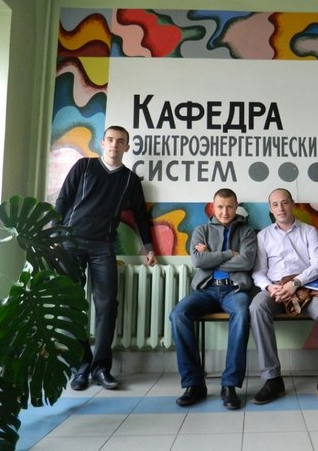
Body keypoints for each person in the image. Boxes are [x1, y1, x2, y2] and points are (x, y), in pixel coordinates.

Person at [55, 125, 157, 391]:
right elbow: (63, 200)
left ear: (127, 147)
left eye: (120, 141)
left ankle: (101, 368)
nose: (114, 144)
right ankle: (81, 367)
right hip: (70, 242)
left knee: (107, 305)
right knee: (70, 305)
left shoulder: (129, 180)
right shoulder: (84, 166)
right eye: (110, 139)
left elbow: (140, 216)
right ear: (102, 143)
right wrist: (53, 236)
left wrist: (148, 248)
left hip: (103, 246)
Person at [250, 188, 318, 405]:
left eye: (284, 202)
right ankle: (272, 379)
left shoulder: (309, 231)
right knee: (256, 307)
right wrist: (270, 288)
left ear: (293, 204)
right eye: (275, 204)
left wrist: (295, 283)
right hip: (275, 290)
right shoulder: (263, 236)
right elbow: (258, 271)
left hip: (306, 287)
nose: (280, 208)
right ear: (270, 209)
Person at [169, 188, 257, 410]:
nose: (224, 212)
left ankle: (230, 385)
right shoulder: (202, 230)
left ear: (236, 207)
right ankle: (194, 383)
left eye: (229, 207)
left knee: (242, 312)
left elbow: (246, 262)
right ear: (213, 207)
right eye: (220, 207)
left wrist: (210, 257)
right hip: (206, 290)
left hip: (235, 290)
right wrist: (229, 254)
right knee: (178, 314)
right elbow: (198, 262)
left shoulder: (247, 232)